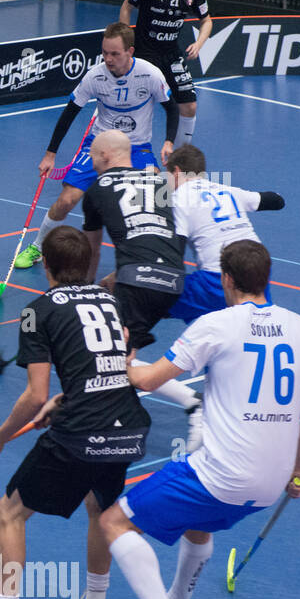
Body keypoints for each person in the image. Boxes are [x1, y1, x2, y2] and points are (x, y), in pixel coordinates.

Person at [100, 239, 300, 599]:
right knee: (196, 519)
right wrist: (299, 472)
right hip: (269, 486)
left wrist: (120, 354)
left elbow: (146, 380)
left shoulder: (215, 324)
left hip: (222, 475)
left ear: (225, 279)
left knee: (114, 522)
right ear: (267, 278)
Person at [0, 225, 150, 599]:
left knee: (11, 512)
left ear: (46, 266)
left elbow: (35, 394)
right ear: (88, 265)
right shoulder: (110, 299)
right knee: (101, 509)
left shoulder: (36, 310)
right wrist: (73, 394)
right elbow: (120, 361)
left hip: (82, 431)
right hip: (127, 427)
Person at [166, 144, 300, 406]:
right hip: (256, 265)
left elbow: (175, 249)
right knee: (265, 329)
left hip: (218, 277)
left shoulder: (180, 197)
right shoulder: (227, 190)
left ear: (175, 172)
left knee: (155, 298)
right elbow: (275, 200)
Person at [13, 21, 177, 270]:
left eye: (115, 54)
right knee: (67, 200)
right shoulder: (95, 75)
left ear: (130, 52)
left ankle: (153, 255)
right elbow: (70, 113)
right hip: (99, 145)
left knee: (156, 195)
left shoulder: (150, 74)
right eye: (105, 52)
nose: (108, 59)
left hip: (137, 148)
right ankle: (38, 246)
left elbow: (172, 107)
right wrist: (50, 154)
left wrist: (168, 141)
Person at [81, 130, 204, 442]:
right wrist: (121, 273)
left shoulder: (96, 190)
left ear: (105, 156)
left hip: (137, 283)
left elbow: (91, 251)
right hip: (174, 278)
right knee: (124, 351)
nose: (92, 162)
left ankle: (191, 404)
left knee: (110, 358)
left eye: (93, 156)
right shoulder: (159, 182)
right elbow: (172, 235)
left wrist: (83, 293)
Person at [120, 0, 210, 147]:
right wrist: (126, 42)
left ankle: (178, 158)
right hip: (145, 54)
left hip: (171, 54)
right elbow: (127, 6)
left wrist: (199, 43)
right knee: (137, 105)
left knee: (189, 106)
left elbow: (206, 20)